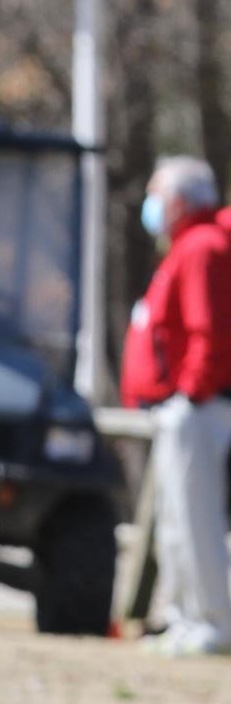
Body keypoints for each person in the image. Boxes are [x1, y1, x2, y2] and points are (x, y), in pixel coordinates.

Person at [123, 158, 231, 657]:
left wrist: (191, 393)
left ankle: (214, 623)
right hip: (180, 408)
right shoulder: (188, 246)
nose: (150, 205)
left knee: (196, 521)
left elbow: (212, 332)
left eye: (156, 194)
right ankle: (187, 619)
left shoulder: (204, 246)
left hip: (198, 409)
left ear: (180, 201)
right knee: (173, 523)